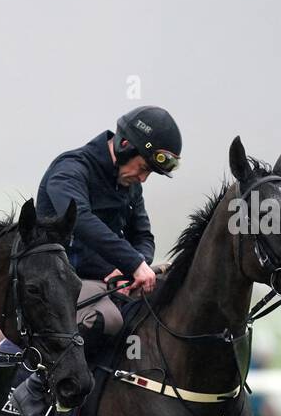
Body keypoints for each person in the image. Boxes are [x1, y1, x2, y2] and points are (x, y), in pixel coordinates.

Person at [36, 105, 182, 359]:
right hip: (57, 279)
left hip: (108, 282)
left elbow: (143, 237)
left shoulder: (130, 184)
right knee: (109, 319)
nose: (143, 178)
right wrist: (132, 264)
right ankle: (36, 386)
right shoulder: (69, 170)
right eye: (143, 168)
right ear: (125, 144)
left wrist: (132, 269)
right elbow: (81, 221)